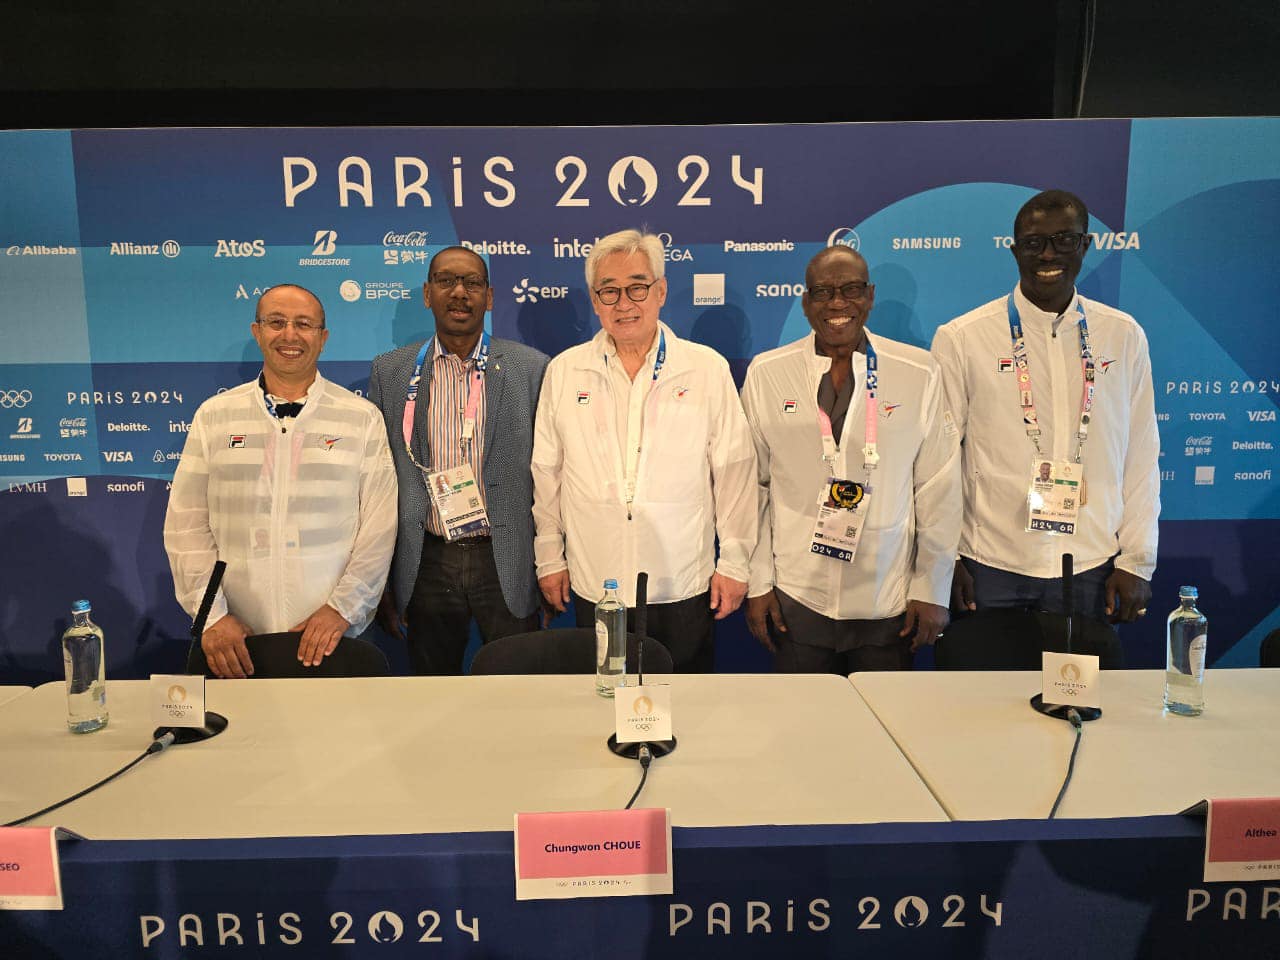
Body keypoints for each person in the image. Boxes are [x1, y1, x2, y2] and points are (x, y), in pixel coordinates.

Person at [931, 189, 1159, 629]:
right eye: (1034, 243)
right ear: (1015, 250)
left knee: (1080, 677)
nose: (1048, 254)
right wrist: (944, 558)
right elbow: (938, 462)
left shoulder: (1123, 335)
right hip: (989, 565)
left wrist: (1137, 559)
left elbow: (1142, 454)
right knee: (980, 678)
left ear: (1085, 245)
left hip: (1091, 564)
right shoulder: (963, 338)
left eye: (1064, 240)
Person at [531, 228, 757, 672]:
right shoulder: (565, 370)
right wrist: (549, 557)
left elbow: (735, 471)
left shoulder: (705, 368)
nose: (624, 303)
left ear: (661, 291)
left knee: (682, 699)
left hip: (681, 580)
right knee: (605, 697)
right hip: (597, 578)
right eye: (609, 291)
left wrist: (735, 561)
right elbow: (547, 472)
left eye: (637, 287)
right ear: (594, 300)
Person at [742, 246, 960, 672]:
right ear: (805, 301)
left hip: (887, 600)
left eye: (851, 290)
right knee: (803, 713)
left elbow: (939, 485)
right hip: (797, 596)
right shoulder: (768, 373)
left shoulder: (918, 372)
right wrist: (758, 582)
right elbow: (754, 488)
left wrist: (932, 588)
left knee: (883, 714)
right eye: (823, 292)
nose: (837, 303)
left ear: (870, 295)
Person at [164, 284, 397, 678]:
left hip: (334, 636)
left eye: (303, 324)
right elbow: (186, 524)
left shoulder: (361, 418)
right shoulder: (215, 415)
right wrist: (212, 615)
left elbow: (379, 526)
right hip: (236, 640)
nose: (290, 335)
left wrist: (343, 608)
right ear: (257, 332)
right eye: (276, 322)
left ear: (323, 337)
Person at [368, 247, 549, 674]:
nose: (459, 292)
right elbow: (377, 482)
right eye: (446, 281)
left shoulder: (531, 368)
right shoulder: (390, 372)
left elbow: (550, 475)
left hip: (506, 556)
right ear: (427, 294)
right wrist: (382, 576)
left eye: (472, 282)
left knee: (516, 685)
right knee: (434, 689)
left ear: (490, 296)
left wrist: (549, 562)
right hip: (427, 558)